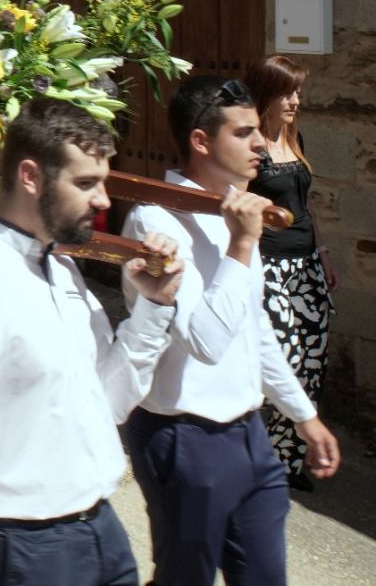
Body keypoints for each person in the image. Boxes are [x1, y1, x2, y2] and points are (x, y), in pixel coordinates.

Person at [0, 99, 183, 586]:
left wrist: (155, 307)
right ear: (31, 176)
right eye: (85, 184)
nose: (103, 200)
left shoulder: (62, 270)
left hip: (103, 532)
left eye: (102, 182)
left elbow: (108, 405)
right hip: (29, 551)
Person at [121, 76, 341, 586]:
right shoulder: (155, 222)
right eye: (243, 133)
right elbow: (205, 343)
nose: (261, 143)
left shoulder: (233, 208)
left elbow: (253, 327)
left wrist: (302, 415)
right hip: (183, 435)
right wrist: (242, 246)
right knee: (184, 579)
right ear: (201, 141)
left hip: (249, 434)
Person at [244, 55, 339, 487]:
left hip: (306, 265)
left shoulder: (294, 139)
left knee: (311, 361)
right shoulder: (251, 148)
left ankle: (290, 460)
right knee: (284, 357)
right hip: (271, 266)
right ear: (266, 94)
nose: (295, 101)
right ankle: (258, 458)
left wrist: (322, 253)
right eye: (288, 92)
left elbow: (305, 206)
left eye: (298, 92)